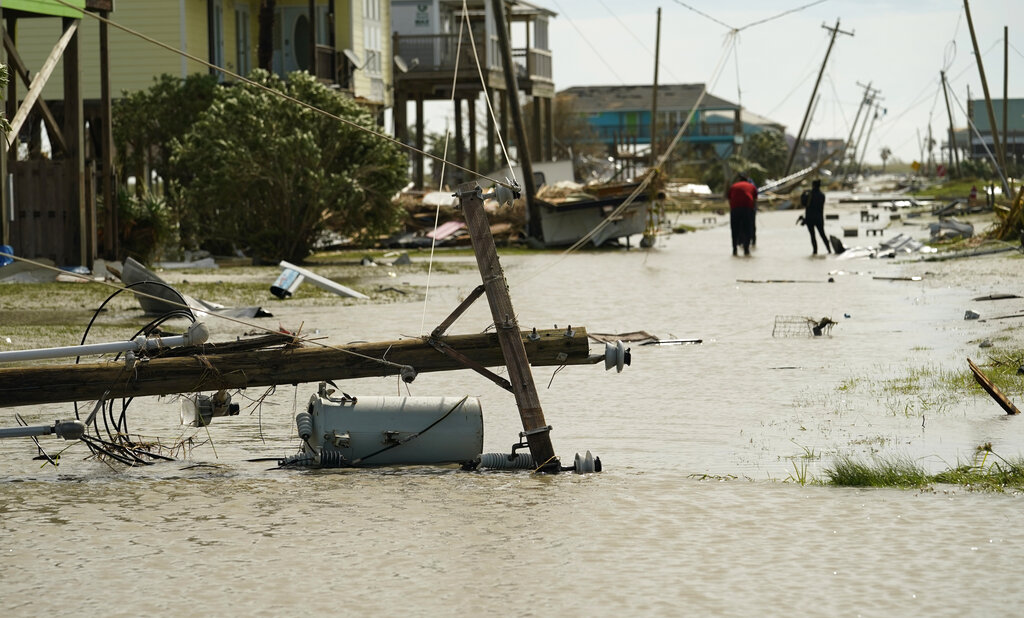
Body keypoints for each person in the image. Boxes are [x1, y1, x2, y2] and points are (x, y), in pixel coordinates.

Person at [727, 174, 757, 256]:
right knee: (747, 229)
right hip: (747, 208)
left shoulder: (733, 186)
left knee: (734, 229)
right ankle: (746, 250)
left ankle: (734, 249)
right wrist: (752, 212)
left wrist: (732, 210)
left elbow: (729, 199)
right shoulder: (751, 186)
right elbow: (754, 200)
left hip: (735, 209)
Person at [800, 179, 830, 255]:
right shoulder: (822, 195)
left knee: (812, 236)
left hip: (810, 219)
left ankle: (815, 251)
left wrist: (803, 194)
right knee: (822, 234)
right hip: (819, 218)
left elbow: (803, 203)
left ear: (813, 185)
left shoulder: (809, 195)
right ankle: (829, 250)